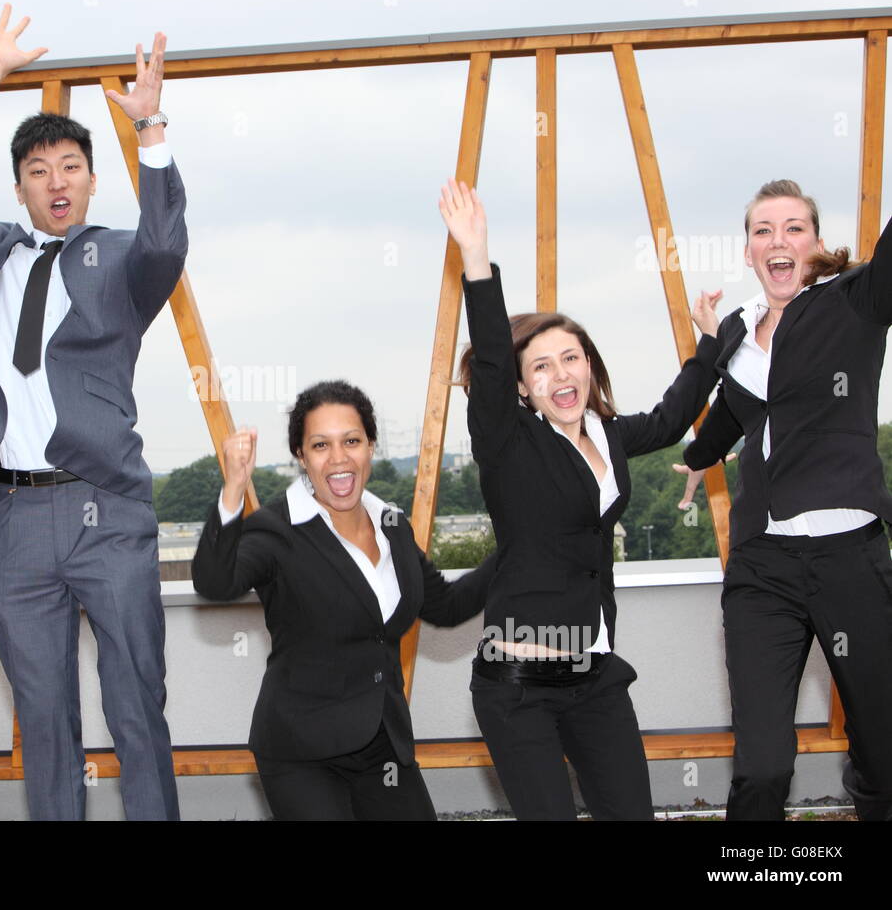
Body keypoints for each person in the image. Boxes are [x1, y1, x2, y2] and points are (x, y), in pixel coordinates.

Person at [0, 5, 186, 821]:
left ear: (90, 177)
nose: (57, 182)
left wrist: (151, 130)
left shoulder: (118, 259)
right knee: (42, 719)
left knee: (136, 704)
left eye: (71, 165)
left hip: (105, 506)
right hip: (13, 516)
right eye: (39, 170)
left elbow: (168, 244)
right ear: (20, 187)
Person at [442, 178, 722, 820]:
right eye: (540, 366)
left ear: (589, 366)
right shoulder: (508, 444)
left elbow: (674, 416)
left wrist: (710, 343)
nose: (560, 374)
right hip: (520, 687)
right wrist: (477, 259)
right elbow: (488, 360)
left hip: (595, 673)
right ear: (521, 387)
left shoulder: (611, 435)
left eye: (571, 358)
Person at [676, 179, 892, 821]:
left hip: (849, 561)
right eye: (763, 230)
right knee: (763, 764)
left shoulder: (854, 300)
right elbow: (727, 422)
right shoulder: (737, 331)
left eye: (794, 228)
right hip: (762, 569)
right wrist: (694, 458)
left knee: (882, 749)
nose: (779, 241)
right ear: (747, 250)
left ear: (816, 244)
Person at [192, 381, 494, 820]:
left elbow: (446, 605)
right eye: (320, 445)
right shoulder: (276, 530)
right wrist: (234, 488)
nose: (338, 458)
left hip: (382, 747)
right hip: (301, 753)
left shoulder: (391, 524)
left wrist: (517, 550)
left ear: (371, 445)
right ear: (301, 455)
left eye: (351, 441)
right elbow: (216, 582)